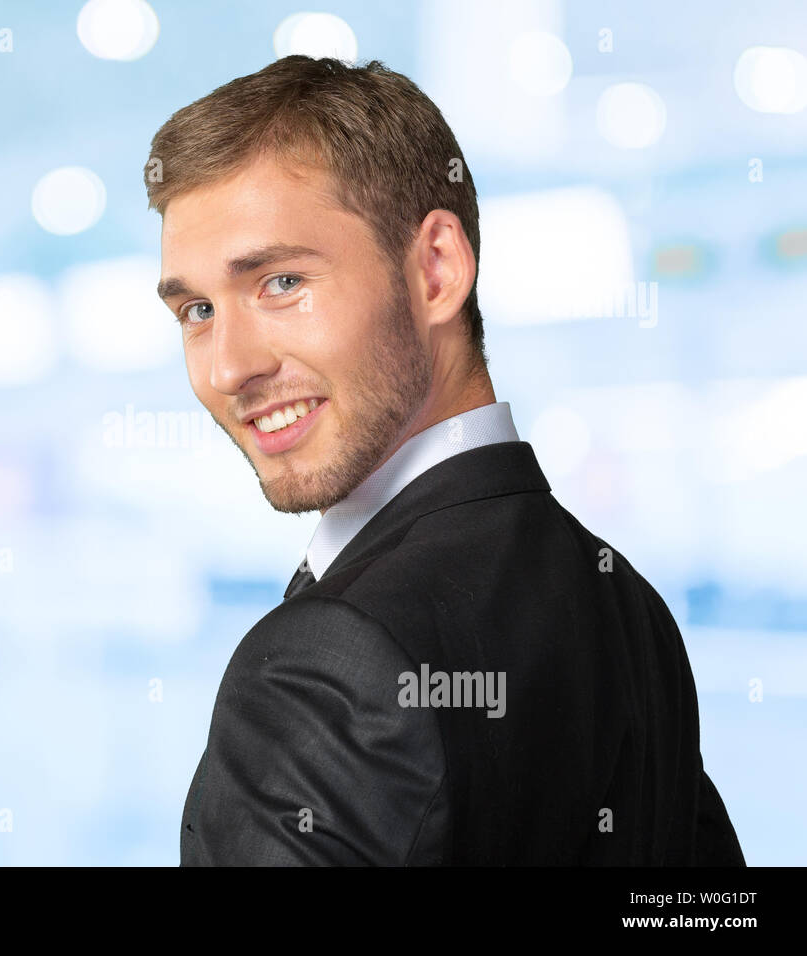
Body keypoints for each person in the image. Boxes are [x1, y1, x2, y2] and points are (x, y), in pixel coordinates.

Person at [147, 55, 745, 865]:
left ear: (435, 270)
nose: (226, 368)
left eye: (282, 281)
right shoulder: (630, 609)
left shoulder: (325, 663)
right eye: (198, 310)